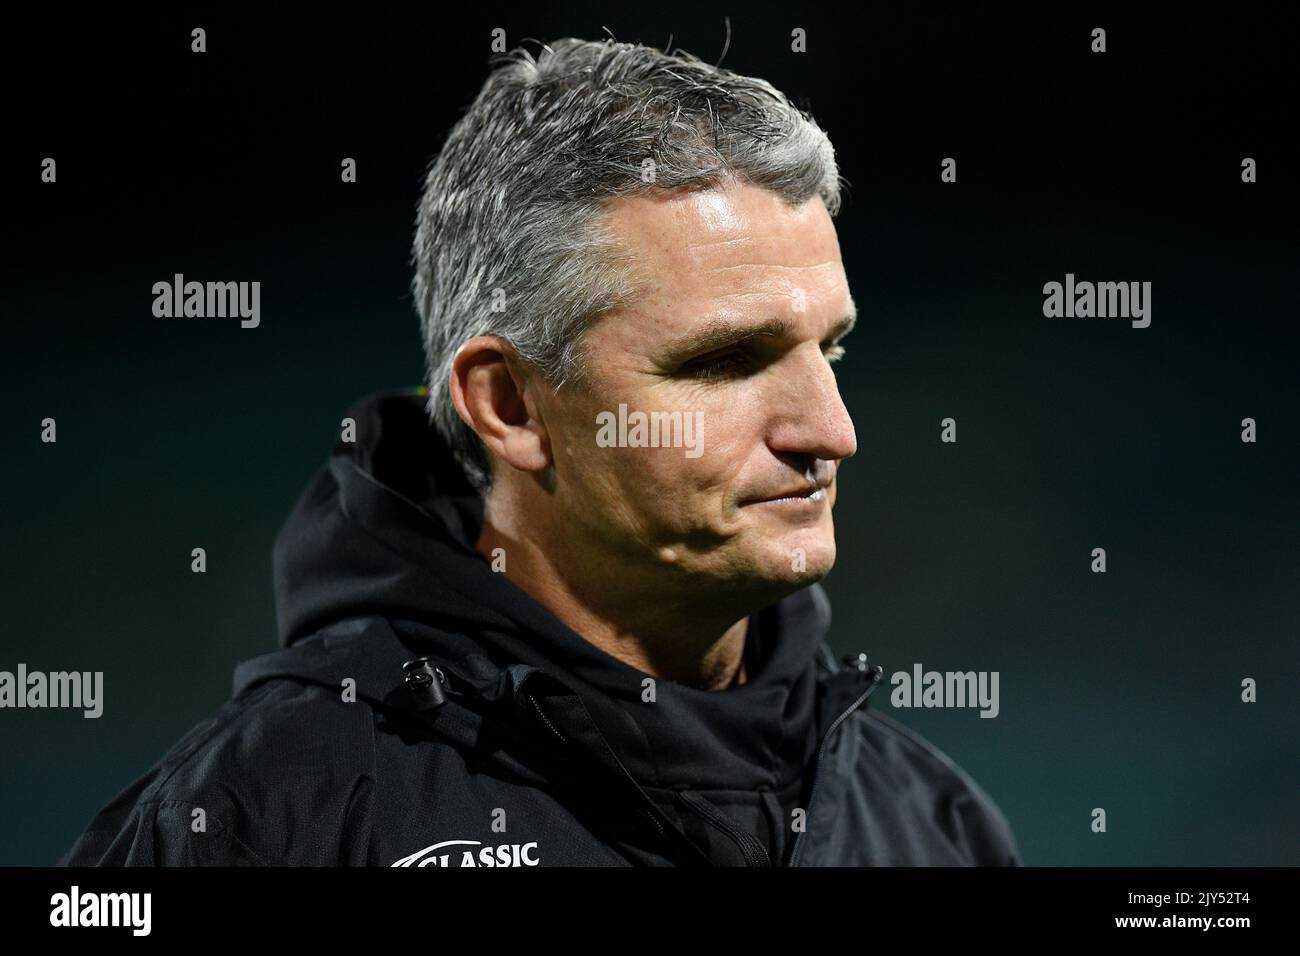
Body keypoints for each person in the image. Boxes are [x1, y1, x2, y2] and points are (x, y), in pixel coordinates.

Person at [59, 37, 1020, 866]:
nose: (832, 432)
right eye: (727, 361)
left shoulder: (934, 824)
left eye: (832, 348)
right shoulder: (260, 820)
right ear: (512, 405)